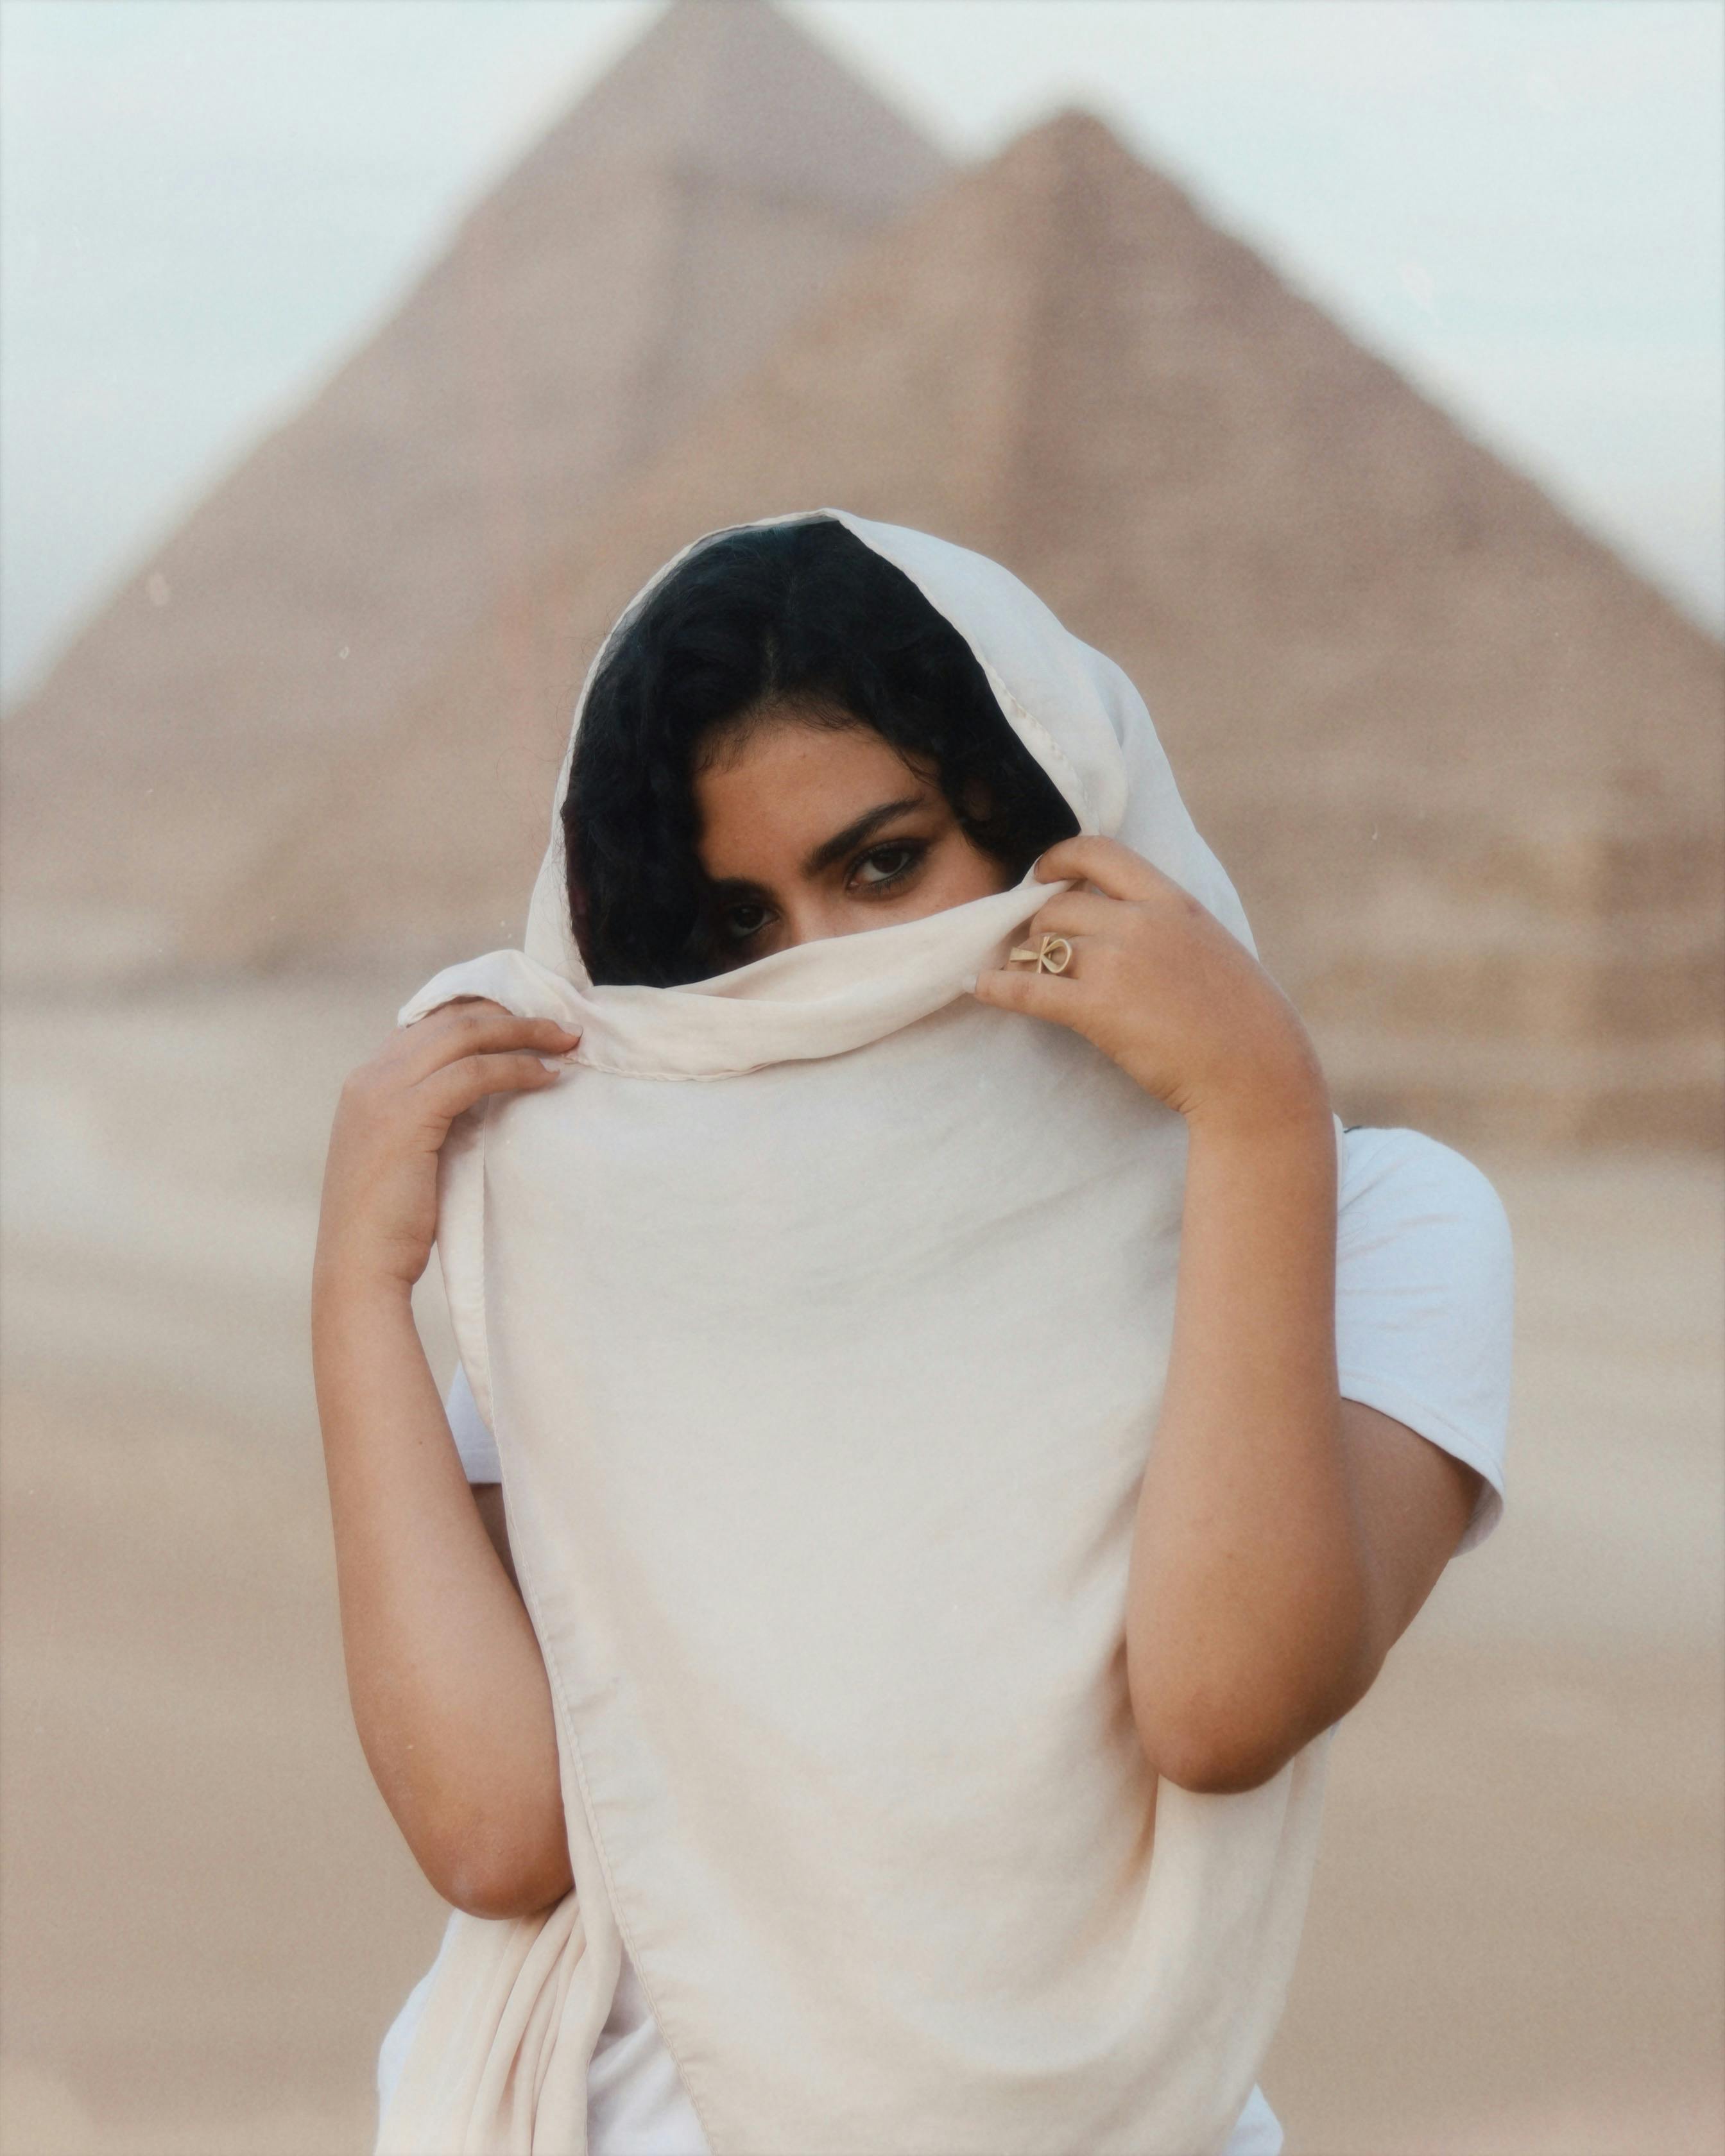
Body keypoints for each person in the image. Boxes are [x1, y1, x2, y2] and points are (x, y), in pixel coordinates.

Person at [313, 511, 1513, 2155]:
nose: (825, 970)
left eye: (885, 867)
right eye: (740, 924)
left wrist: (1251, 1120)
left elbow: (1223, 1705)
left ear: (1046, 825)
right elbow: (497, 1838)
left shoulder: (1373, 1219)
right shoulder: (616, 1251)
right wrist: (355, 1301)